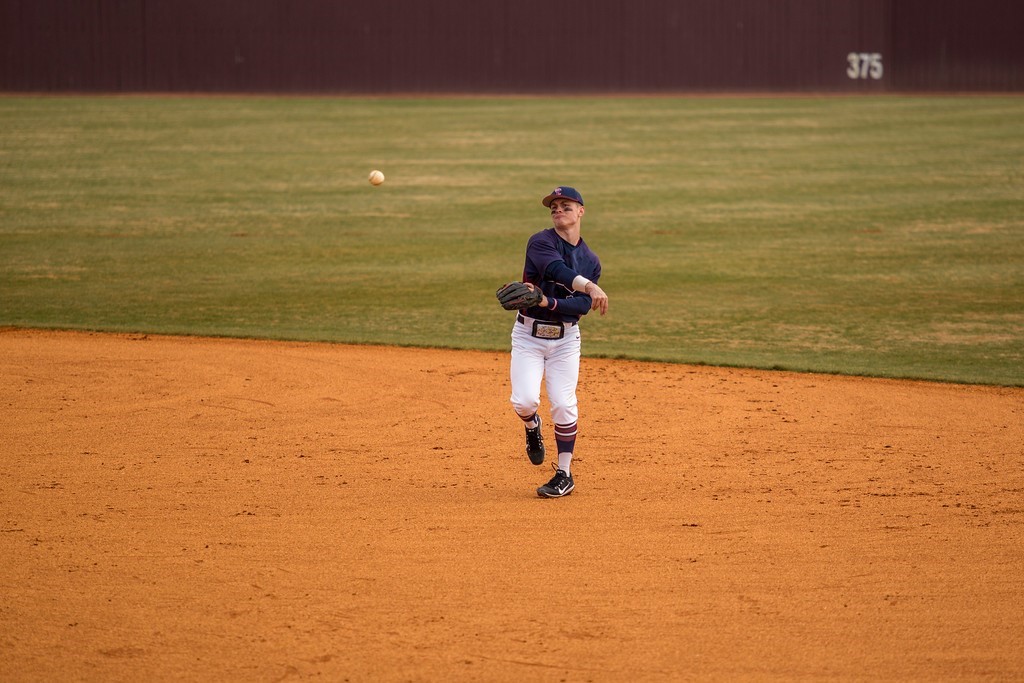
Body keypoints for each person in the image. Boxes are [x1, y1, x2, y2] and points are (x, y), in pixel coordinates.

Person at [508, 186, 608, 498]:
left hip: (566, 341)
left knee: (564, 405)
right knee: (524, 401)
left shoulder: (591, 260)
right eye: (554, 206)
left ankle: (564, 473)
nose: (558, 210)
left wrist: (547, 303)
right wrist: (589, 288)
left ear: (581, 211)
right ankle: (531, 425)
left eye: (566, 205)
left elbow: (579, 308)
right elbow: (556, 270)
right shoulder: (541, 241)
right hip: (528, 336)